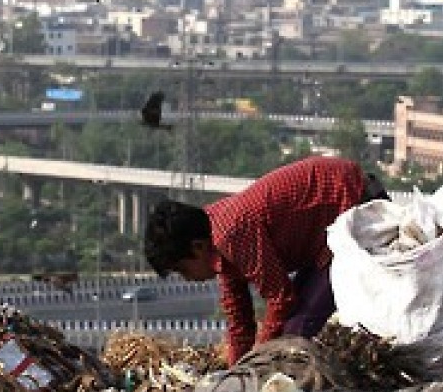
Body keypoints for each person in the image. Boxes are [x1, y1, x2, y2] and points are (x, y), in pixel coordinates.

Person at [144, 156, 389, 365]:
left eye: (183, 270)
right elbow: (240, 322)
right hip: (323, 236)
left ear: (197, 248)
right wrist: (236, 371)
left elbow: (281, 298)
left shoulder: (231, 234)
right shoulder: (214, 238)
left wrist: (258, 358)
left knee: (296, 331)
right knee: (290, 327)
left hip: (355, 205)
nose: (188, 279)